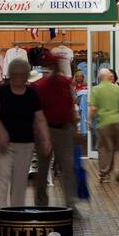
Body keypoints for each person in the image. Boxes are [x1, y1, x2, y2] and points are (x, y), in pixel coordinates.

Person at [0, 58, 51, 208]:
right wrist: (2, 132)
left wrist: (46, 139)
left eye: (21, 74)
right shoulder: (2, 92)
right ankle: (0, 212)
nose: (18, 77)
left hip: (25, 144)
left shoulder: (32, 94)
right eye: (15, 74)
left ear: (26, 75)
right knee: (2, 178)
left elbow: (40, 119)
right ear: (10, 75)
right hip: (3, 144)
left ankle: (16, 212)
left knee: (20, 181)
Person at [34, 51, 78, 208]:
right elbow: (38, 113)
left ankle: (70, 203)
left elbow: (70, 105)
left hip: (63, 129)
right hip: (50, 129)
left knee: (66, 167)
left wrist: (74, 126)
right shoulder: (43, 86)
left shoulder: (63, 83)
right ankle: (41, 203)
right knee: (45, 168)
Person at [89, 67, 119, 184]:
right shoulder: (118, 89)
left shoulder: (96, 89)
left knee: (104, 149)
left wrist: (90, 120)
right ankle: (118, 171)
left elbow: (93, 108)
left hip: (104, 122)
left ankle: (105, 175)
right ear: (109, 77)